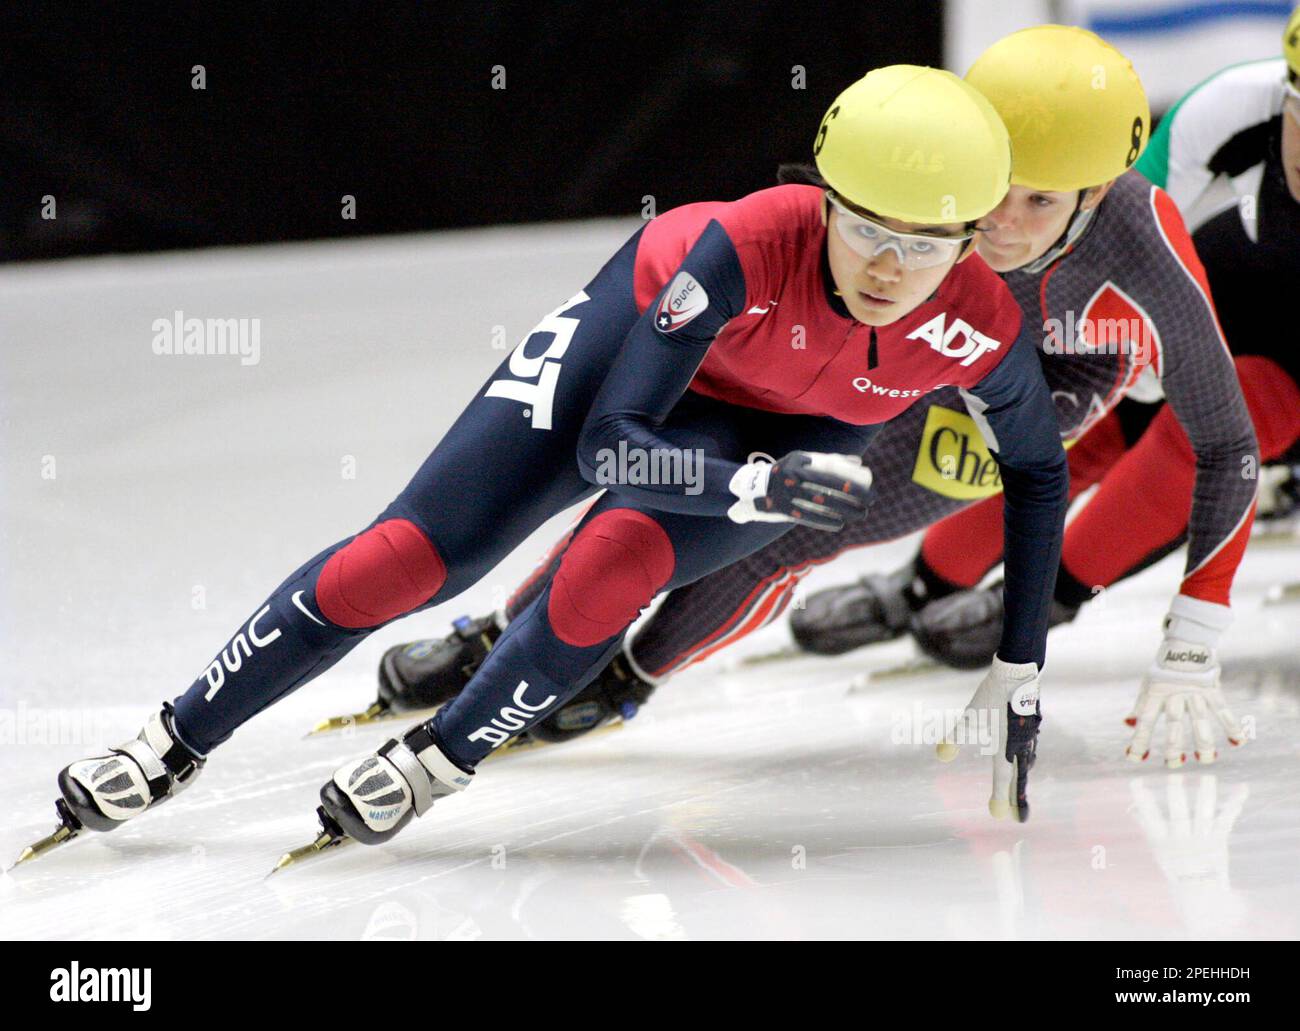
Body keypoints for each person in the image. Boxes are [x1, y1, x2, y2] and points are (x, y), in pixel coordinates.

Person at [23, 63, 1071, 867]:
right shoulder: (735, 250)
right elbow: (609, 445)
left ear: (974, 239)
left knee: (612, 562)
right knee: (403, 560)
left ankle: (443, 755)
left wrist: (1018, 660)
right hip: (630, 377)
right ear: (822, 197)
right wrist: (749, 487)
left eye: (927, 243)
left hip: (776, 437)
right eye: (864, 227)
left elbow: (1034, 472)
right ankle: (173, 737)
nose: (891, 267)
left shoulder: (977, 326)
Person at [376, 25, 1265, 773]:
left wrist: (1190, 643)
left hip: (1039, 376)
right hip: (909, 330)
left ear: (1099, 191)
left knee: (802, 523)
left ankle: (631, 675)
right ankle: (505, 628)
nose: (999, 223)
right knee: (713, 470)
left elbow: (1228, 443)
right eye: (995, 185)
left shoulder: (1148, 258)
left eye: (1041, 200)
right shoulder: (936, 183)